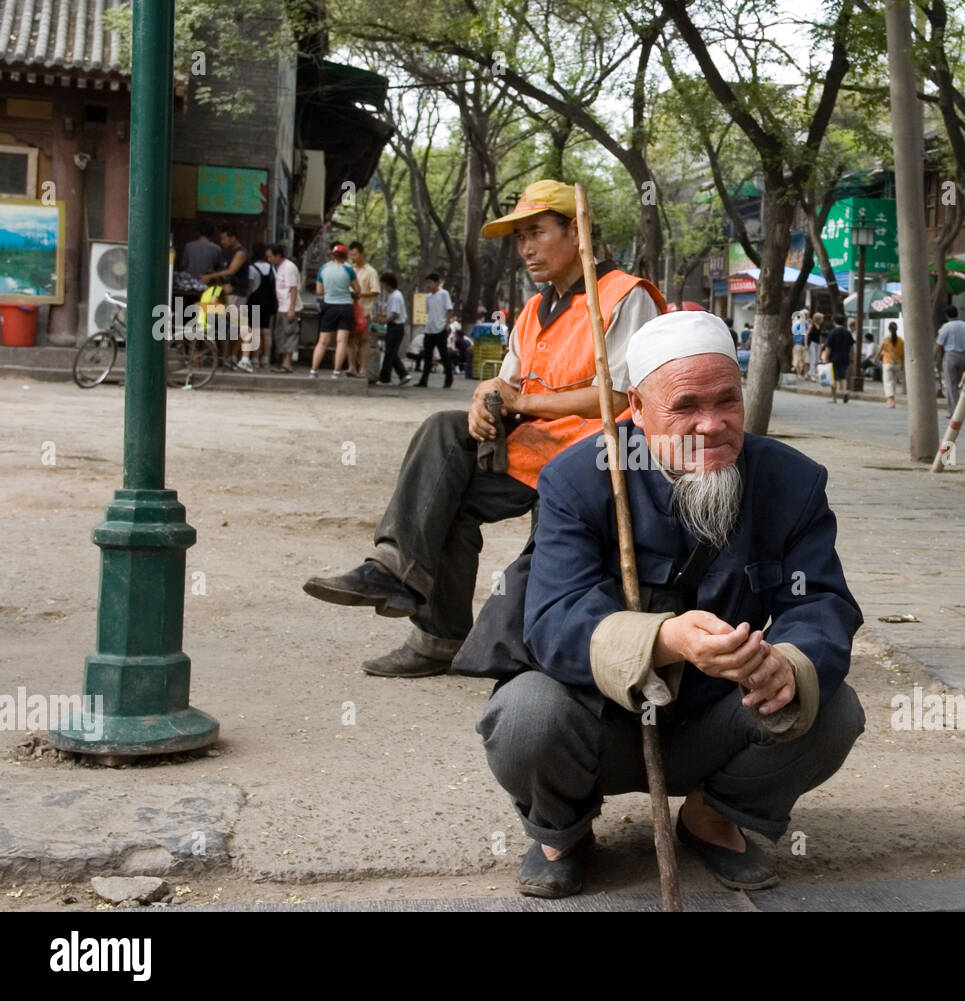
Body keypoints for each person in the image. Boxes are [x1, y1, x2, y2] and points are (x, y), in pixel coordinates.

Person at [470, 311, 865, 898]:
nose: (712, 425)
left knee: (828, 708)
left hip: (714, 721)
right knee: (524, 714)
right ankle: (564, 829)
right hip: (596, 720)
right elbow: (555, 619)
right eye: (686, 406)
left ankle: (712, 814)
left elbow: (823, 603)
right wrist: (666, 640)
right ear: (636, 406)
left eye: (727, 401)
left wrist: (787, 663)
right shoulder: (579, 480)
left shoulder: (791, 481)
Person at [302, 178, 666, 677]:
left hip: (598, 459)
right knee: (445, 436)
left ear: (576, 232)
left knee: (512, 634)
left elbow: (626, 396)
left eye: (536, 232)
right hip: (535, 450)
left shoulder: (625, 296)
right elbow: (507, 381)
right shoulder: (536, 310)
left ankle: (523, 641)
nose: (526, 249)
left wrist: (527, 401)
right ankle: (409, 593)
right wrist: (484, 399)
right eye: (520, 239)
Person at [201, 224, 249, 368]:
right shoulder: (227, 253)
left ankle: (234, 356)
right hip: (226, 294)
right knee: (226, 326)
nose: (222, 242)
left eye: (224, 239)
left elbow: (231, 271)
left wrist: (211, 276)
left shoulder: (240, 253)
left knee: (237, 326)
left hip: (236, 294)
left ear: (233, 238)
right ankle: (226, 356)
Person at [310, 243, 358, 379]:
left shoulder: (323, 269)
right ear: (345, 256)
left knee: (323, 341)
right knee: (342, 341)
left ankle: (314, 370)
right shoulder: (348, 269)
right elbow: (358, 290)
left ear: (332, 255)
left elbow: (319, 291)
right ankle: (336, 372)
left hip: (329, 306)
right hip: (346, 306)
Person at [348, 241, 381, 381]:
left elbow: (375, 291)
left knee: (363, 340)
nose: (353, 257)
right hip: (350, 309)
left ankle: (363, 369)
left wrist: (360, 294)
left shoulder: (371, 271)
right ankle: (351, 367)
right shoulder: (351, 270)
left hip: (364, 310)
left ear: (361, 254)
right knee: (350, 339)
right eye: (351, 255)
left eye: (355, 254)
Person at [934, 305, 965, 419]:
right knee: (959, 385)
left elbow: (939, 345)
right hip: (964, 356)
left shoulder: (946, 327)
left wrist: (934, 357)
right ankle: (954, 410)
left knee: (951, 385)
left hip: (950, 356)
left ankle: (955, 412)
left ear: (946, 315)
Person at [377, 272, 413, 387]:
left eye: (382, 284)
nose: (382, 287)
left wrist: (385, 321)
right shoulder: (393, 295)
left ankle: (385, 378)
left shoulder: (396, 296)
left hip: (396, 327)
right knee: (391, 353)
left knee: (389, 353)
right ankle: (403, 374)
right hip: (394, 327)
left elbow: (395, 315)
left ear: (387, 284)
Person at [268, 245, 301, 373]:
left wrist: (291, 308)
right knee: (280, 334)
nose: (269, 259)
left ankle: (287, 363)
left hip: (288, 305)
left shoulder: (289, 267)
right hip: (282, 306)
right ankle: (283, 362)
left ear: (278, 255)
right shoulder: (279, 267)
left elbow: (293, 288)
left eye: (271, 256)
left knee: (289, 334)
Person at [420, 273, 455, 388]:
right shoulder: (428, 297)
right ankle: (423, 380)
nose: (428, 285)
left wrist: (446, 324)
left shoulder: (444, 294)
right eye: (427, 282)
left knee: (443, 354)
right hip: (429, 329)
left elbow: (449, 310)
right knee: (427, 355)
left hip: (440, 328)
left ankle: (449, 378)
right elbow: (428, 312)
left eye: (430, 282)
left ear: (437, 283)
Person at [246, 242, 276, 370]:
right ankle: (266, 358)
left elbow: (250, 288)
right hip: (269, 303)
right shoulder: (271, 268)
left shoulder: (252, 268)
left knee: (255, 331)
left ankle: (255, 358)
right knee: (267, 332)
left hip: (255, 301)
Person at [821, 316, 852, 403]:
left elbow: (828, 347)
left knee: (833, 378)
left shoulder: (832, 332)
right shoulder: (847, 332)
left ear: (834, 322)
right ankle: (845, 391)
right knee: (843, 376)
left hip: (834, 358)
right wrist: (851, 357)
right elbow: (851, 347)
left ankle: (834, 398)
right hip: (845, 357)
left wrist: (825, 358)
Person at [875, 321, 904, 408]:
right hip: (897, 364)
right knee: (893, 382)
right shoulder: (900, 340)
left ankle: (890, 400)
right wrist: (903, 364)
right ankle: (892, 399)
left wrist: (875, 359)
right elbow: (902, 354)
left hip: (887, 363)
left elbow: (879, 351)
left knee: (888, 382)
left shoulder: (885, 339)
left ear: (889, 329)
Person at [806, 312, 825, 380]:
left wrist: (821, 343)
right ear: (818, 319)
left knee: (817, 360)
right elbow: (807, 334)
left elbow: (819, 336)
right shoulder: (812, 325)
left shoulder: (819, 326)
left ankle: (810, 372)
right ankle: (812, 375)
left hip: (818, 344)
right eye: (822, 318)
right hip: (812, 343)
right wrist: (806, 344)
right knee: (813, 359)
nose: (823, 320)